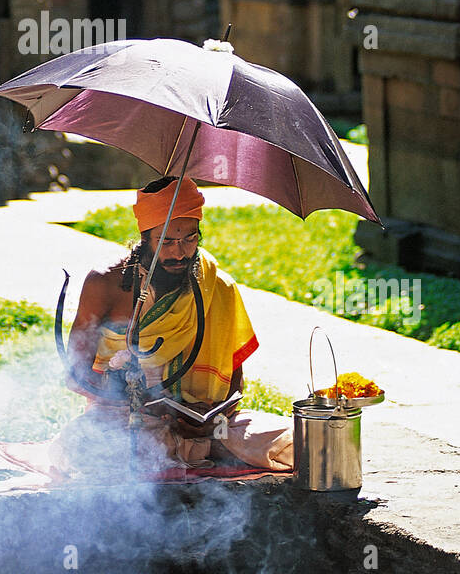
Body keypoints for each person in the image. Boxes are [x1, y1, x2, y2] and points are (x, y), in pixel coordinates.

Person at [48, 175, 294, 478]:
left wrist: (209, 416)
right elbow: (75, 375)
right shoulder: (105, 284)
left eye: (190, 239)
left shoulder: (217, 286)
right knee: (80, 450)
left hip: (205, 429)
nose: (180, 253)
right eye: (166, 242)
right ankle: (184, 452)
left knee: (296, 443)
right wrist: (127, 393)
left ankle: (194, 447)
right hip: (122, 423)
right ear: (145, 239)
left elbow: (235, 388)